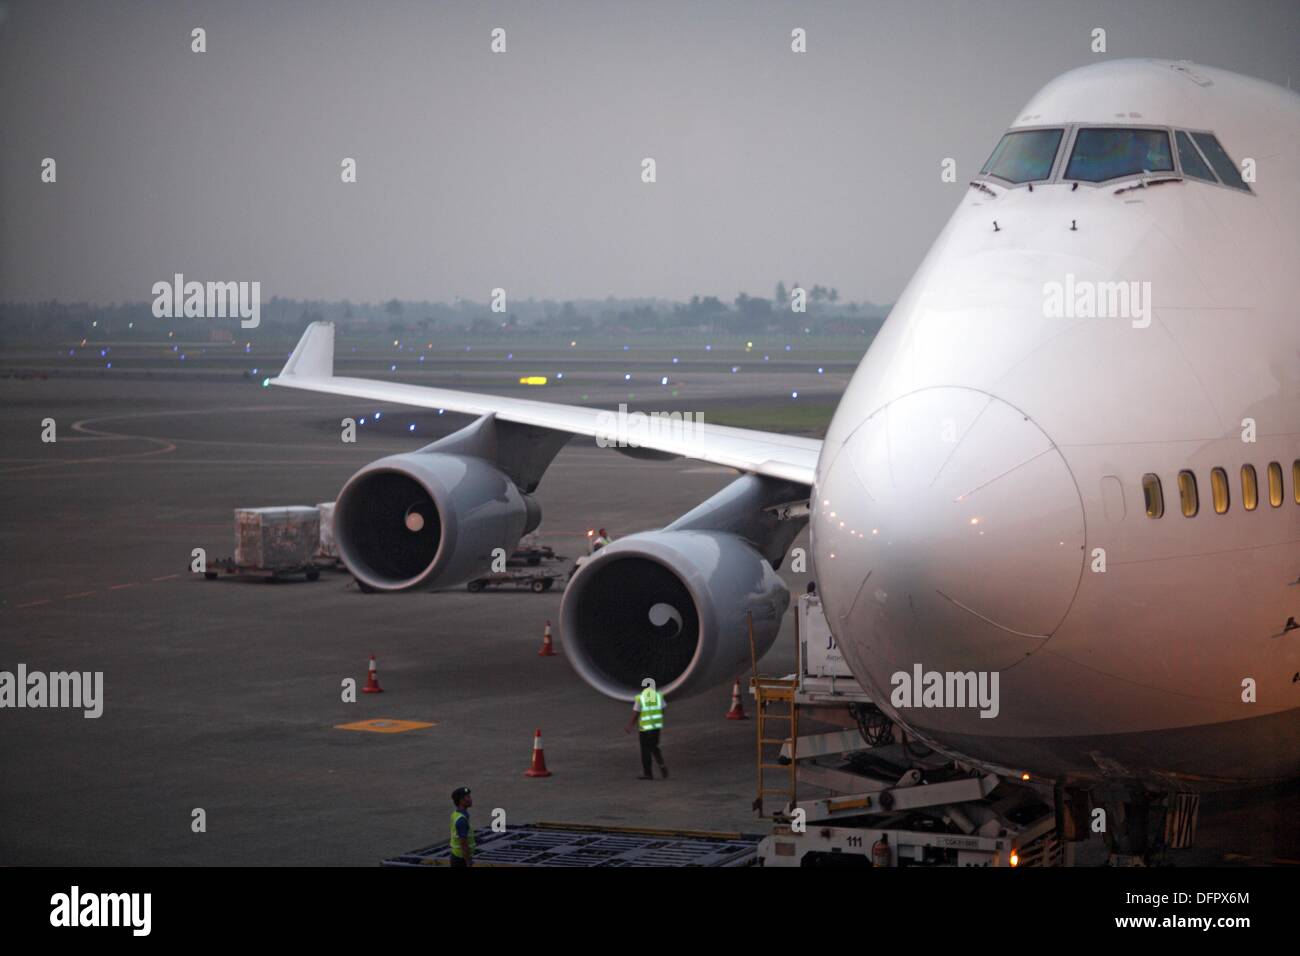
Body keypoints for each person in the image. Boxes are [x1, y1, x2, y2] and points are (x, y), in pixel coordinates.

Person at [624, 684, 668, 780]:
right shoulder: (658, 696)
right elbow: (663, 709)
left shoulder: (641, 698)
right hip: (656, 726)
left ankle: (648, 773)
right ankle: (661, 763)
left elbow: (636, 713)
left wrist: (629, 726)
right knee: (654, 746)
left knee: (645, 750)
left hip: (645, 727)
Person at [449, 786, 476, 867]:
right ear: (461, 801)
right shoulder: (462, 820)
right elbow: (463, 843)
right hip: (461, 860)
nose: (471, 799)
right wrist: (468, 862)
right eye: (468, 797)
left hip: (457, 856)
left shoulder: (456, 814)